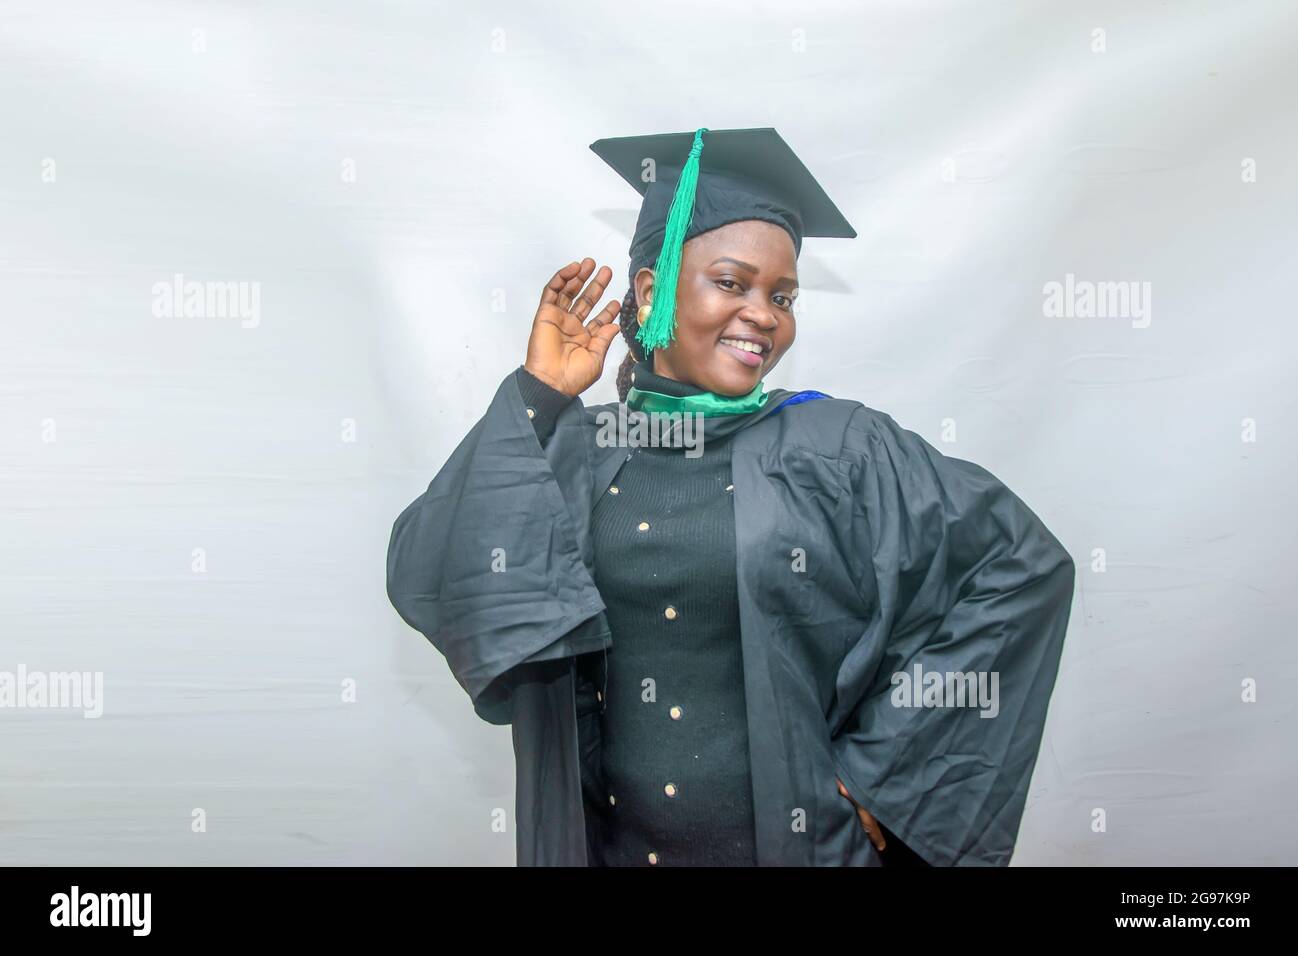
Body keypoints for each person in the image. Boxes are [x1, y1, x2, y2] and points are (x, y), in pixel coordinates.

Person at [386, 127, 1075, 867]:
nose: (765, 315)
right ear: (652, 293)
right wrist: (538, 398)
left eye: (782, 295)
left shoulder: (837, 447)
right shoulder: (578, 449)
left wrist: (881, 775)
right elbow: (438, 570)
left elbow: (1022, 569)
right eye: (732, 282)